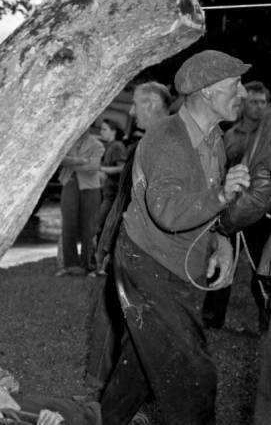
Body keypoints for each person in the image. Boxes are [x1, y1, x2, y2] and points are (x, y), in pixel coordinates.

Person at [97, 50, 249, 425]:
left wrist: (220, 239)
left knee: (138, 366)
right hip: (150, 264)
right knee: (191, 374)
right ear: (207, 91)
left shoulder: (213, 138)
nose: (243, 93)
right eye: (235, 85)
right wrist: (221, 195)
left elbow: (204, 204)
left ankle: (102, 420)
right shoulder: (167, 138)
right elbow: (167, 210)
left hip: (176, 265)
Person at [86, 82, 171, 394]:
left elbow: (133, 204)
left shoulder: (161, 145)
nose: (132, 112)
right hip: (134, 244)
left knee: (120, 318)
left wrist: (114, 244)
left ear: (151, 104)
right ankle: (107, 387)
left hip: (142, 248)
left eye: (136, 105)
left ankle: (111, 390)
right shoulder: (145, 144)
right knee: (116, 315)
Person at [205, 81, 271, 330]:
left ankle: (265, 320)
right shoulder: (230, 135)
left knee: (262, 268)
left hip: (260, 212)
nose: (259, 107)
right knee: (223, 257)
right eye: (253, 102)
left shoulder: (266, 134)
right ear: (243, 104)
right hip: (232, 206)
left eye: (263, 102)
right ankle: (212, 317)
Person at [56, 127, 104, 276]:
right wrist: (81, 160)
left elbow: (93, 167)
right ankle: (70, 265)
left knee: (89, 227)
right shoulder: (67, 142)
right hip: (69, 184)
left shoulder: (97, 145)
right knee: (68, 225)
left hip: (90, 188)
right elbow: (60, 159)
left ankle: (88, 264)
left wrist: (71, 163)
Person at [92, 119, 127, 268]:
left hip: (113, 194)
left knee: (102, 227)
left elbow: (122, 168)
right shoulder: (109, 146)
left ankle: (100, 264)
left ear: (113, 131)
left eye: (104, 129)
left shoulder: (117, 146)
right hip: (107, 193)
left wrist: (101, 169)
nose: (101, 132)